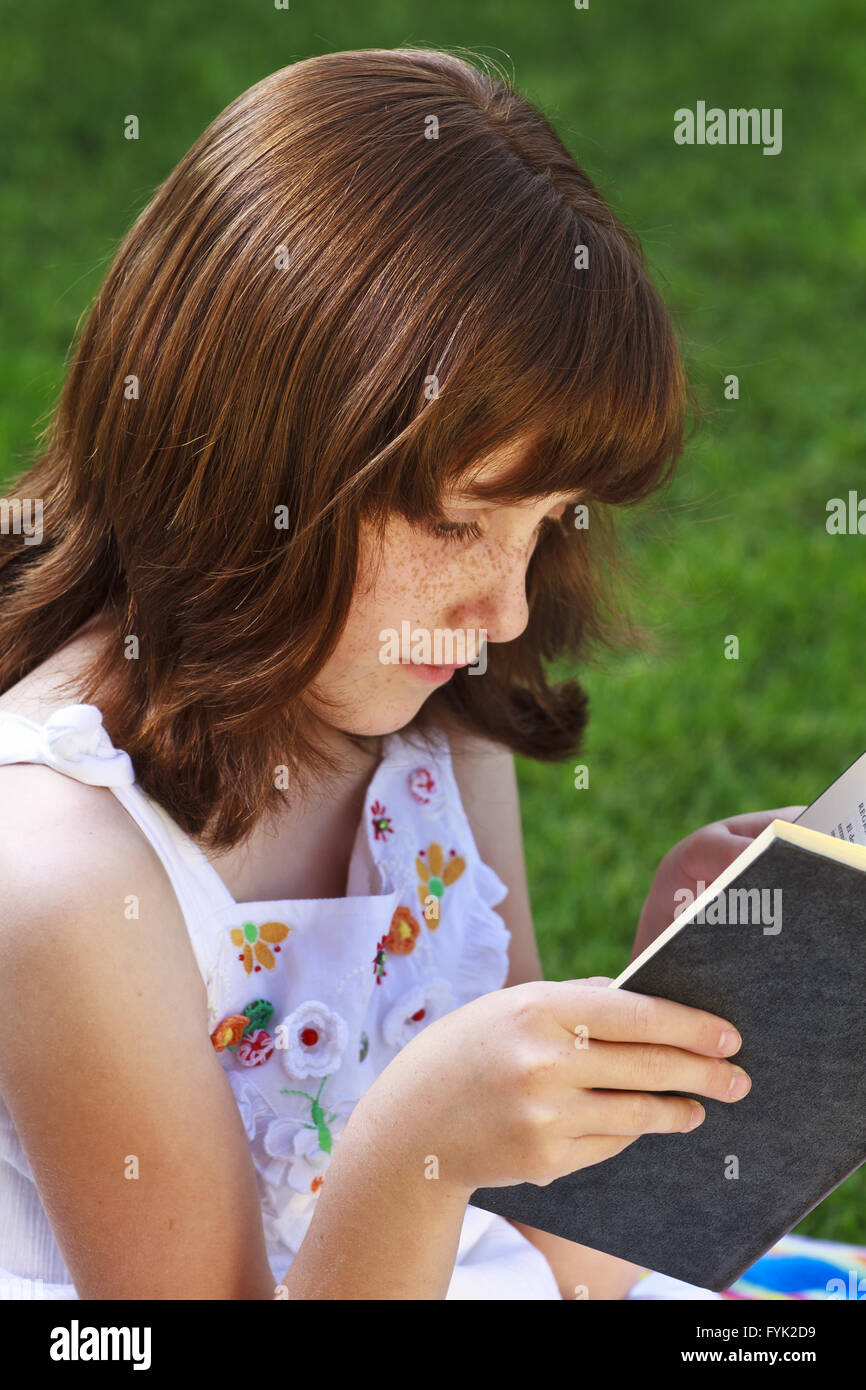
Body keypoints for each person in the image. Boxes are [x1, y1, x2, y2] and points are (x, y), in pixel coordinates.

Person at [0, 47, 806, 1301]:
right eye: (454, 523)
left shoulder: (431, 718)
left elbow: (562, 1259)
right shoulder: (63, 865)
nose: (505, 608)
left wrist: (676, 1006)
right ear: (250, 465)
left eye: (547, 524)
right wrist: (418, 1146)